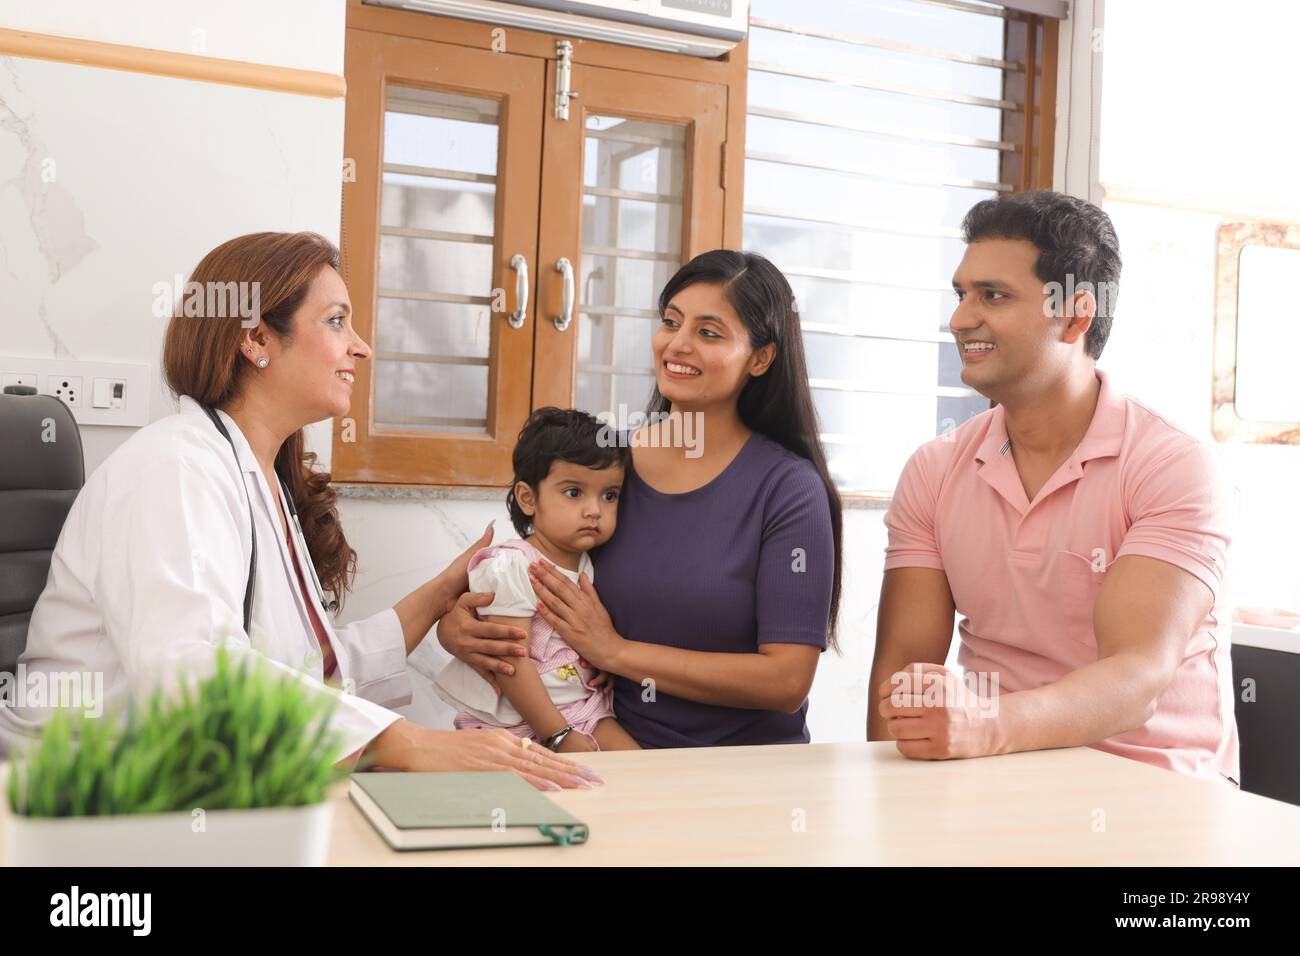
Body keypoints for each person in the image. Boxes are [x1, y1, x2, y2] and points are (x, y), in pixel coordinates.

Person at [0, 231, 598, 792]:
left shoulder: (256, 477)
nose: (360, 346)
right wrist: (410, 745)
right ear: (256, 339)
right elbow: (192, 680)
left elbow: (309, 668)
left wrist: (443, 593)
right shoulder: (175, 467)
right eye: (336, 321)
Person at [869, 192, 1238, 785]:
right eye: (960, 294)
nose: (961, 319)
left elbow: (1137, 677)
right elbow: (902, 670)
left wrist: (984, 724)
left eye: (993, 296)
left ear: (1074, 313)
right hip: (992, 779)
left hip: (1154, 791)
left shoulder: (1174, 466)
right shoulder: (935, 468)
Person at [436, 250, 842, 748]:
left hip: (744, 778)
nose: (678, 344)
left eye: (709, 332)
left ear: (761, 357)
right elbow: (525, 576)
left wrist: (616, 653)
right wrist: (462, 629)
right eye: (671, 322)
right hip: (604, 757)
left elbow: (786, 682)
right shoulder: (605, 466)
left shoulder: (789, 489)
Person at [426, 407, 640, 753]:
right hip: (515, 722)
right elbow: (511, 659)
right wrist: (560, 736)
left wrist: (600, 664)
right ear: (528, 498)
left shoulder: (590, 563)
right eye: (573, 492)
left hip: (585, 709)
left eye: (609, 495)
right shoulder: (511, 564)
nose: (594, 510)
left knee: (640, 772)